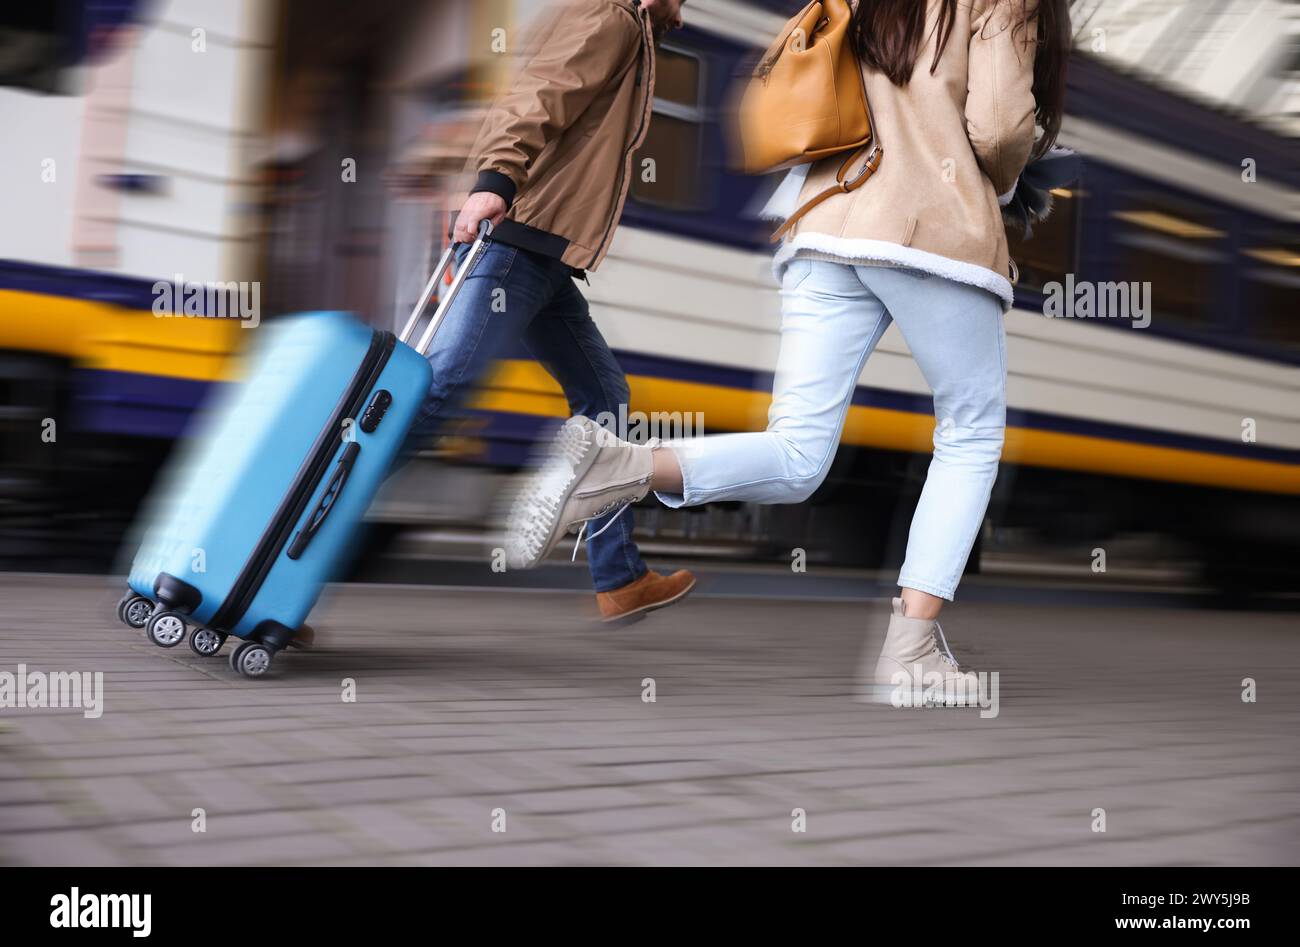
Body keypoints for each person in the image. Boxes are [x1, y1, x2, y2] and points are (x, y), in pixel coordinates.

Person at [504, 0, 1070, 701]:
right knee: (971, 431)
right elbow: (1001, 126)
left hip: (825, 225)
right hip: (931, 230)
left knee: (798, 449)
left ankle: (618, 462)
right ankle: (913, 652)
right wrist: (1009, 183)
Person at [416, 0, 695, 624]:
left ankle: (620, 577)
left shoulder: (632, 24)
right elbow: (539, 96)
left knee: (604, 398)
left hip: (541, 253)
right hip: (521, 242)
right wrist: (494, 182)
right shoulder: (613, 17)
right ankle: (279, 545)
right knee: (433, 398)